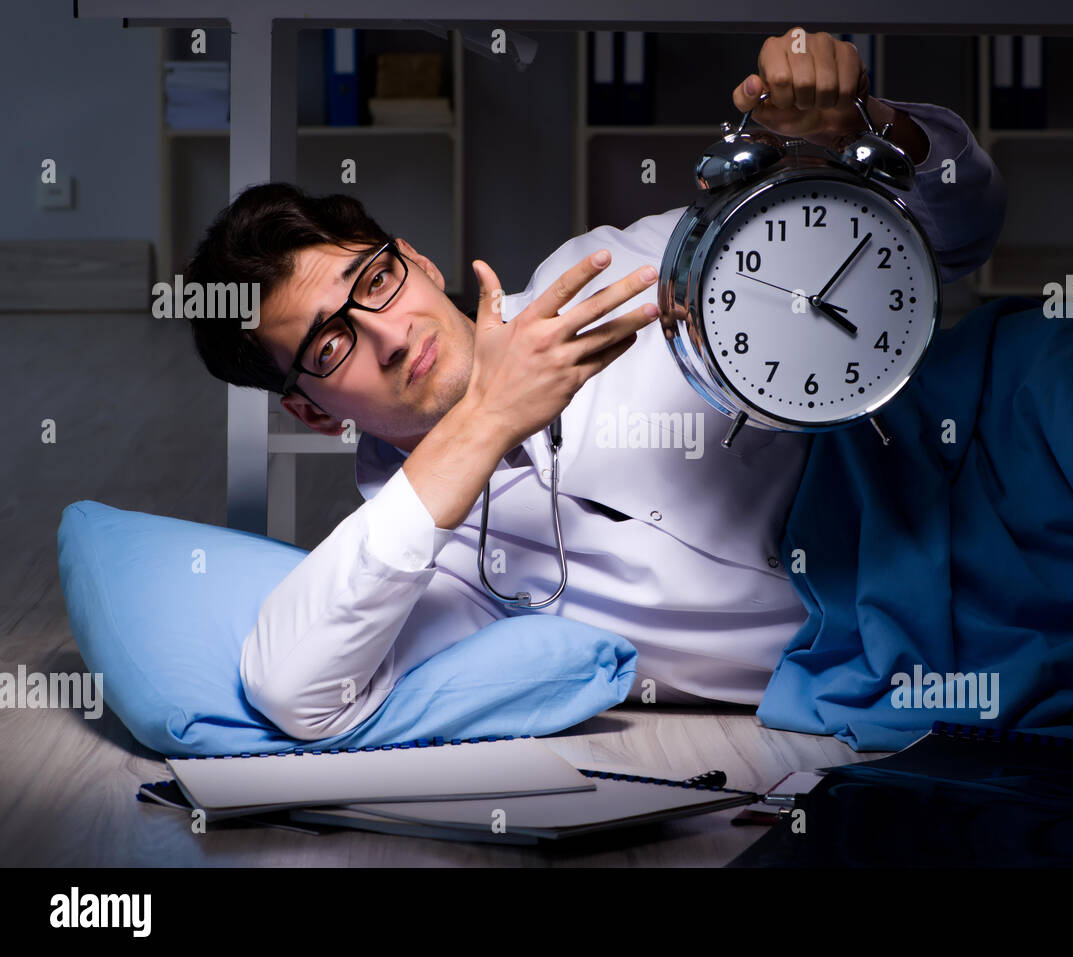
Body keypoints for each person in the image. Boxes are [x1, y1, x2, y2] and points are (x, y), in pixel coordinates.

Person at [185, 29, 1006, 740]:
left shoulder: (614, 267)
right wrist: (489, 418)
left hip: (992, 452)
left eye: (376, 281)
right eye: (331, 345)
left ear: (420, 262)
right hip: (956, 645)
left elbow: (964, 238)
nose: (391, 335)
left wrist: (867, 131)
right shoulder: (425, 569)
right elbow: (294, 690)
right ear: (307, 408)